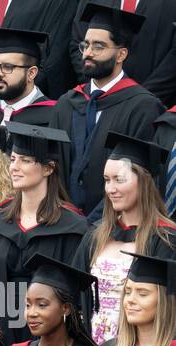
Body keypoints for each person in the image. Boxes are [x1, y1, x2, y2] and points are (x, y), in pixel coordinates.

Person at [0, 123, 87, 344]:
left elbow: (76, 297)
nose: (14, 167)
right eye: (13, 159)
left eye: (25, 161)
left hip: (52, 340)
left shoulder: (72, 229)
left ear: (48, 168)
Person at [53, 3, 163, 218]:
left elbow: (139, 177)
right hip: (61, 223)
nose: (88, 53)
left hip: (115, 224)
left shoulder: (143, 107)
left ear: (121, 54)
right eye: (85, 45)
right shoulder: (67, 103)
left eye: (98, 47)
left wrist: (94, 224)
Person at [73, 133, 176, 345]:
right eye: (106, 180)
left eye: (119, 180)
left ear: (145, 181)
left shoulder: (167, 240)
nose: (111, 189)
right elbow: (74, 293)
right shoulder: (95, 236)